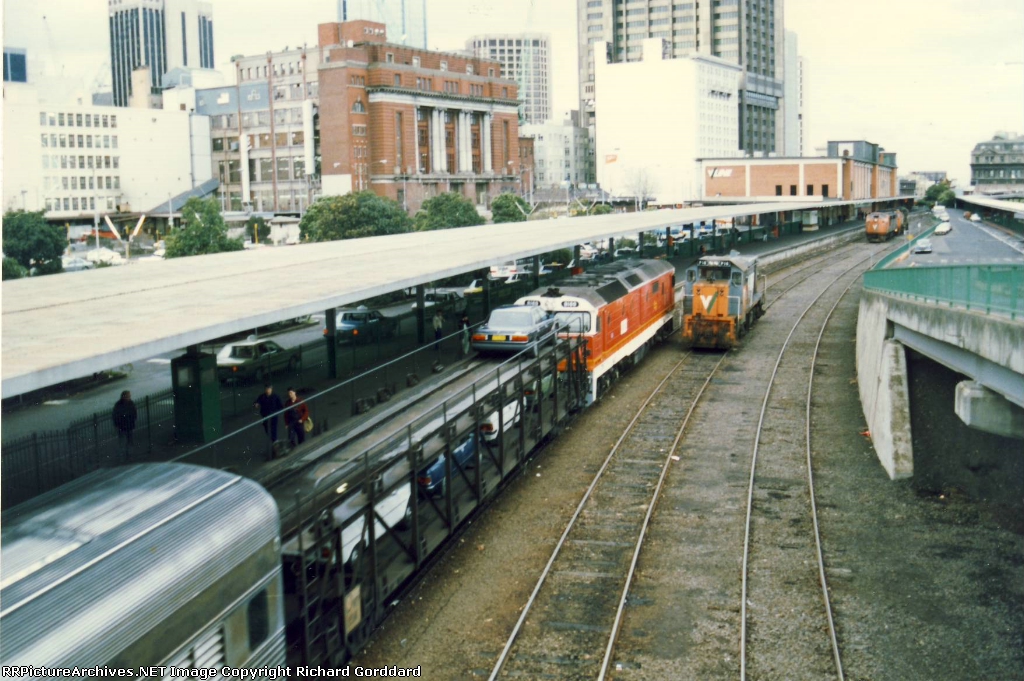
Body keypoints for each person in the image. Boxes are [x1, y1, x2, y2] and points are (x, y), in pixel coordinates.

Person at [112, 390, 137, 457]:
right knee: (123, 441)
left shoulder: (130, 403)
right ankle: (124, 455)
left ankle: (129, 454)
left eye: (129, 396)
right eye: (128, 396)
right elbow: (115, 415)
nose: (129, 397)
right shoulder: (119, 404)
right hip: (122, 426)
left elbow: (134, 413)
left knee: (129, 440)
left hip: (128, 425)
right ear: (124, 396)